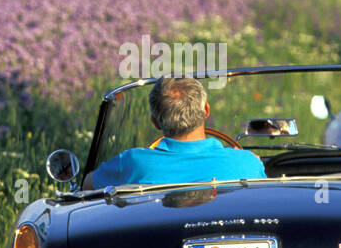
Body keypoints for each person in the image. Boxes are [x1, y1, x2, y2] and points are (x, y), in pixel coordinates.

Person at [82, 76, 267, 187]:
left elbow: (87, 185)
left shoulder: (132, 163)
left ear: (154, 121)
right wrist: (249, 159)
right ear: (206, 111)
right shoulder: (247, 163)